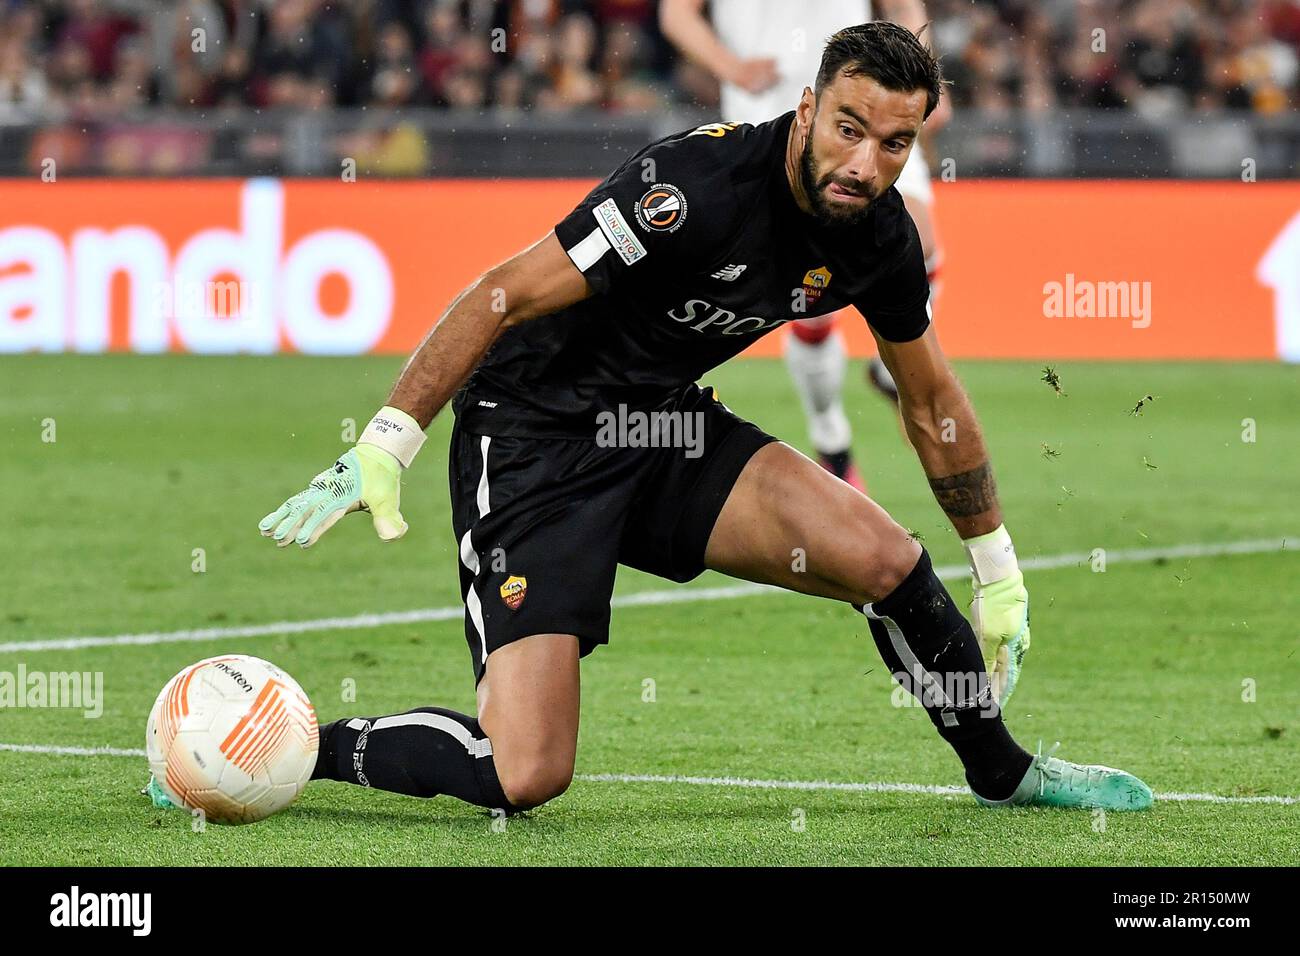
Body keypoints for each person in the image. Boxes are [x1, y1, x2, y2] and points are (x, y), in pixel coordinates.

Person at [221, 23, 1149, 816]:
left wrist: (996, 564)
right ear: (807, 106)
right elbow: (501, 292)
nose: (865, 164)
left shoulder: (881, 235)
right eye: (849, 129)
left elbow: (931, 399)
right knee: (526, 772)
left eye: (895, 143)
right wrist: (389, 439)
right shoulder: (688, 187)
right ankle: (299, 743)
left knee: (885, 561)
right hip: (534, 437)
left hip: (660, 429)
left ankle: (1004, 773)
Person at [661, 0, 950, 491]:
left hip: (870, 100)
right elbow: (677, 15)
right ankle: (829, 433)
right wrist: (731, 68)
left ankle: (887, 371)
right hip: (774, 108)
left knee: (918, 240)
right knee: (808, 298)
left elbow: (902, 6)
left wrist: (928, 85)